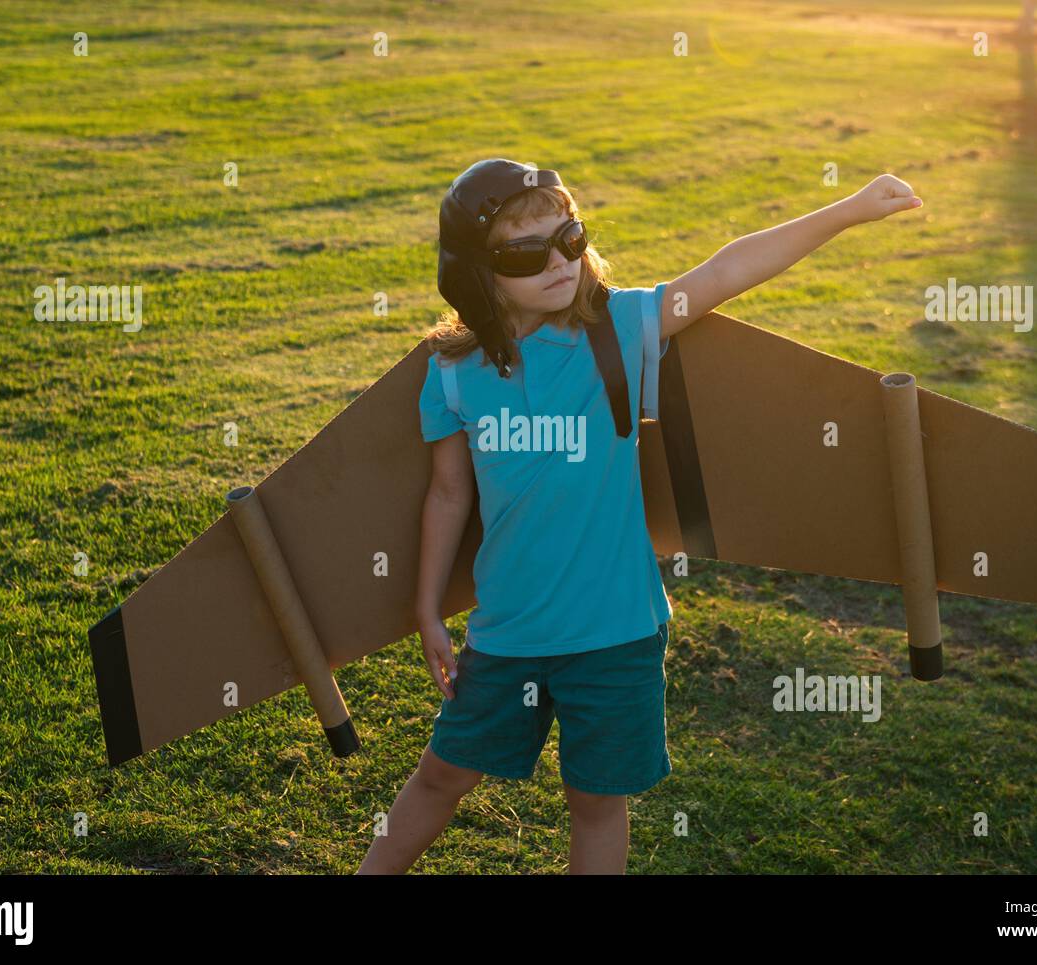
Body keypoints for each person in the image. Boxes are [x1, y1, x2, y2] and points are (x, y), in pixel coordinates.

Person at [356, 159, 921, 874]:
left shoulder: (617, 328)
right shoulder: (453, 373)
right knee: (442, 775)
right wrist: (427, 603)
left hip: (615, 634)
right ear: (477, 275)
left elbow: (726, 270)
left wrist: (849, 209)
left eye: (569, 237)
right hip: (506, 634)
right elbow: (447, 494)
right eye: (527, 254)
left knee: (594, 802)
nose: (559, 263)